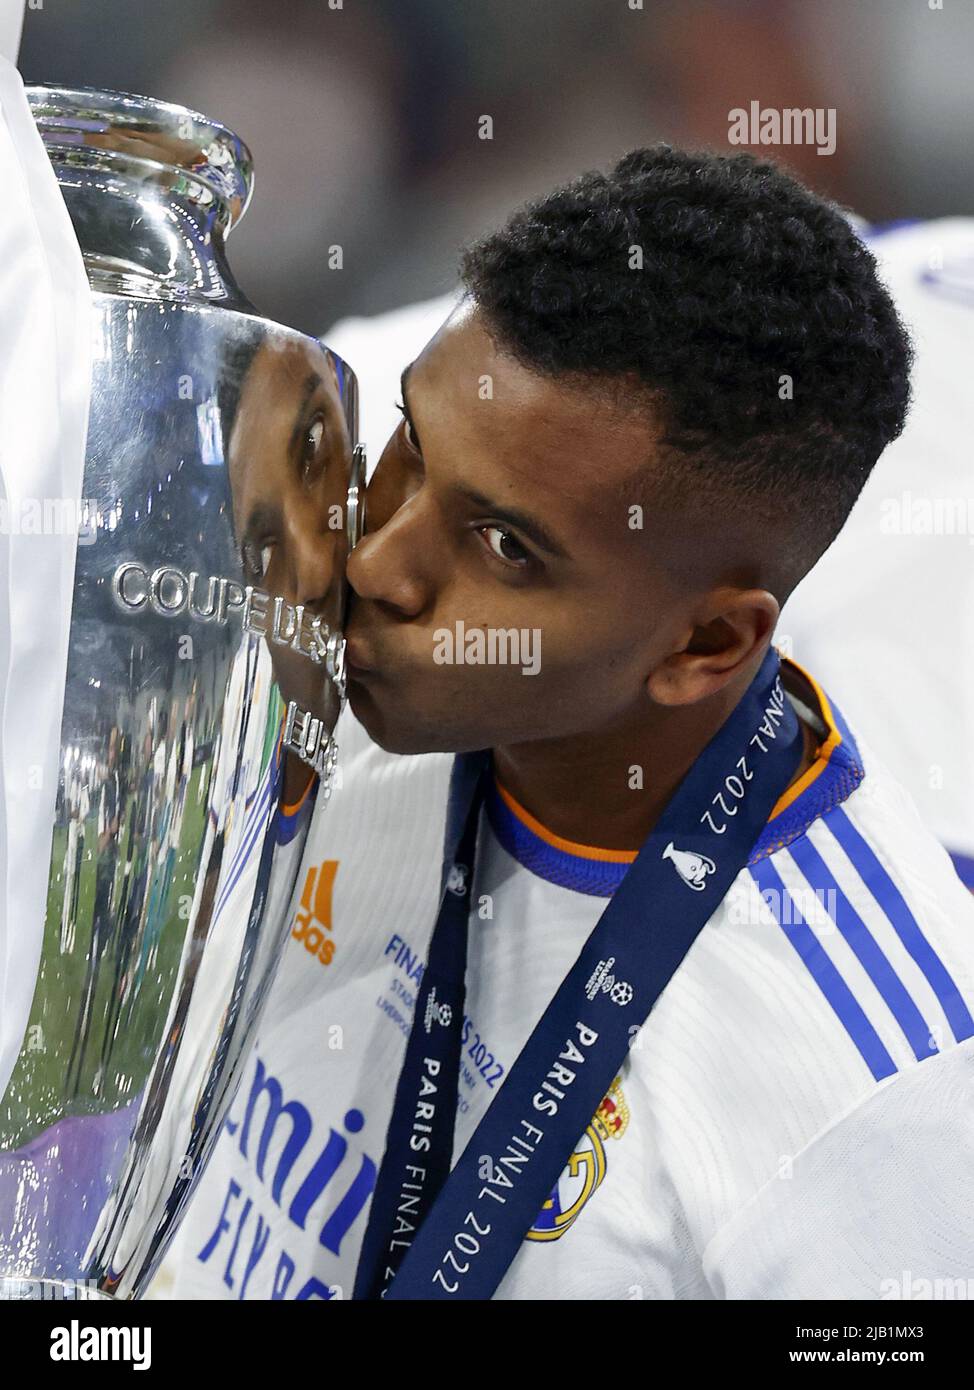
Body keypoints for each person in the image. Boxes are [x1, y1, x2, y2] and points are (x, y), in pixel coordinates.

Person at [153, 146, 974, 1302]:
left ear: (704, 647)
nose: (379, 565)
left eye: (503, 548)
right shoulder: (315, 683)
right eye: (409, 449)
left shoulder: (872, 1094)